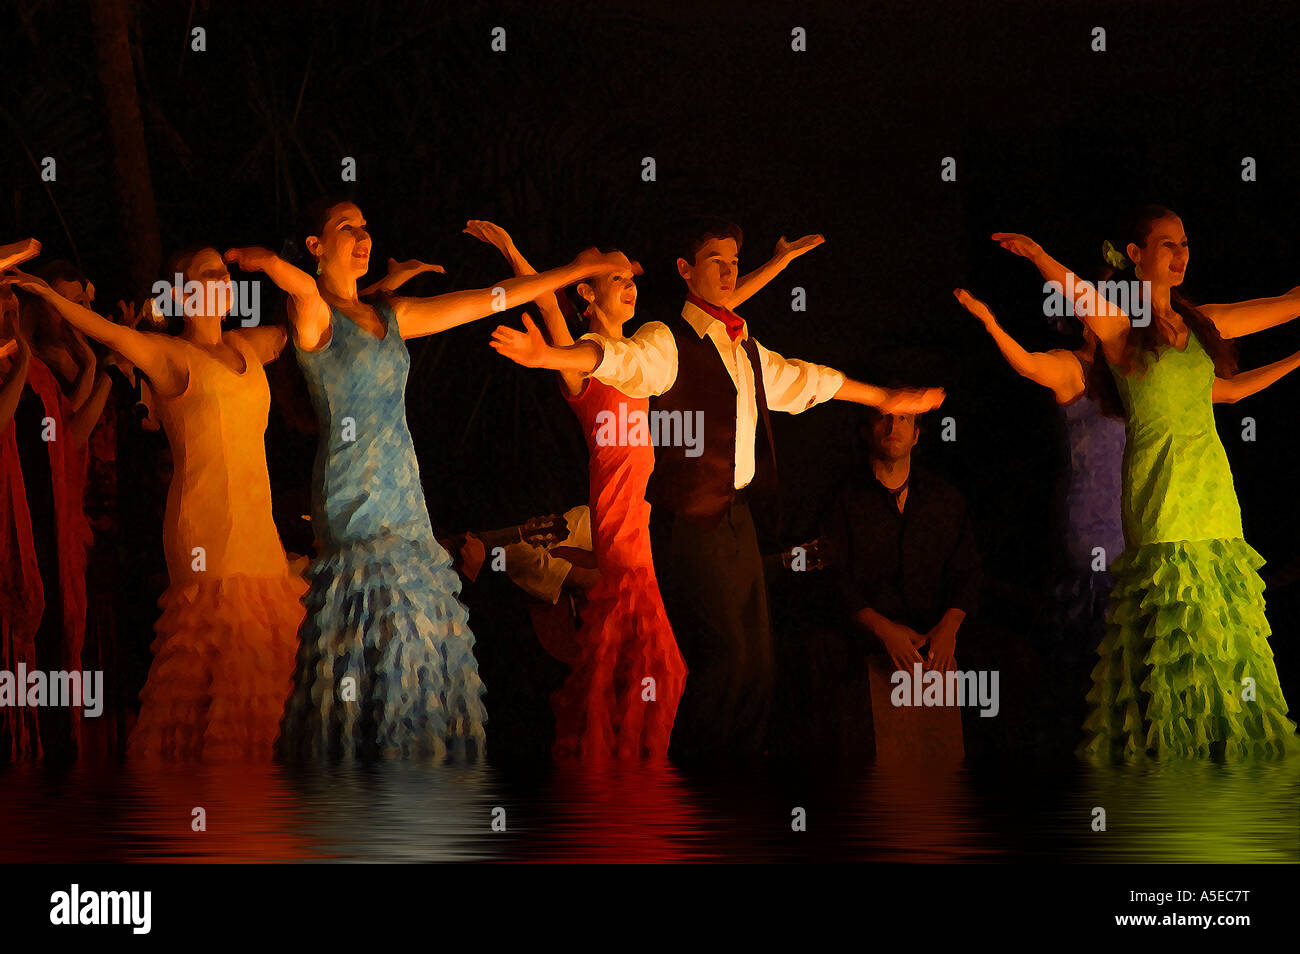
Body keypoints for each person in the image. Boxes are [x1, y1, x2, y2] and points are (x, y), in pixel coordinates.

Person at [488, 218, 945, 761]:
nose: (630, 284)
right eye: (613, 278)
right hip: (649, 512)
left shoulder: (706, 342)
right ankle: (672, 782)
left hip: (708, 510)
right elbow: (587, 339)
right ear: (586, 292)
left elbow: (768, 345)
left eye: (630, 277)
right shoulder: (635, 351)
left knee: (734, 664)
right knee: (698, 658)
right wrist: (538, 324)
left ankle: (694, 781)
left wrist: (778, 267)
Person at [230, 198, 631, 760]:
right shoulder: (315, 314)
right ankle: (357, 786)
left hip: (406, 501)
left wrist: (575, 271)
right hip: (353, 501)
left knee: (416, 647)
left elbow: (483, 302)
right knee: (369, 645)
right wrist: (269, 262)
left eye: (367, 225)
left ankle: (412, 788)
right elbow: (298, 285)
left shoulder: (391, 316)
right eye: (347, 228)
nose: (364, 234)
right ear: (317, 247)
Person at [993, 206, 1300, 759]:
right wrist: (1039, 257)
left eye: (1185, 244)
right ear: (1136, 255)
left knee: (1223, 635)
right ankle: (1171, 772)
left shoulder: (1203, 323)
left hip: (1214, 498)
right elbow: (1080, 294)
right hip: (1159, 499)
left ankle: (1229, 767)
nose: (1181, 254)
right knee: (1171, 638)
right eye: (1167, 245)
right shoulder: (1119, 327)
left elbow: (1283, 306)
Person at [5, 247, 307, 759]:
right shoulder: (170, 356)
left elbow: (308, 316)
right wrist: (46, 293)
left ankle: (261, 801)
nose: (225, 279)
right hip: (205, 527)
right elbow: (111, 336)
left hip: (260, 528)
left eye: (225, 273)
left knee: (269, 658)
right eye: (210, 273)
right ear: (184, 292)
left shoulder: (248, 345)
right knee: (223, 656)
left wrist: (358, 296)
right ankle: (217, 794)